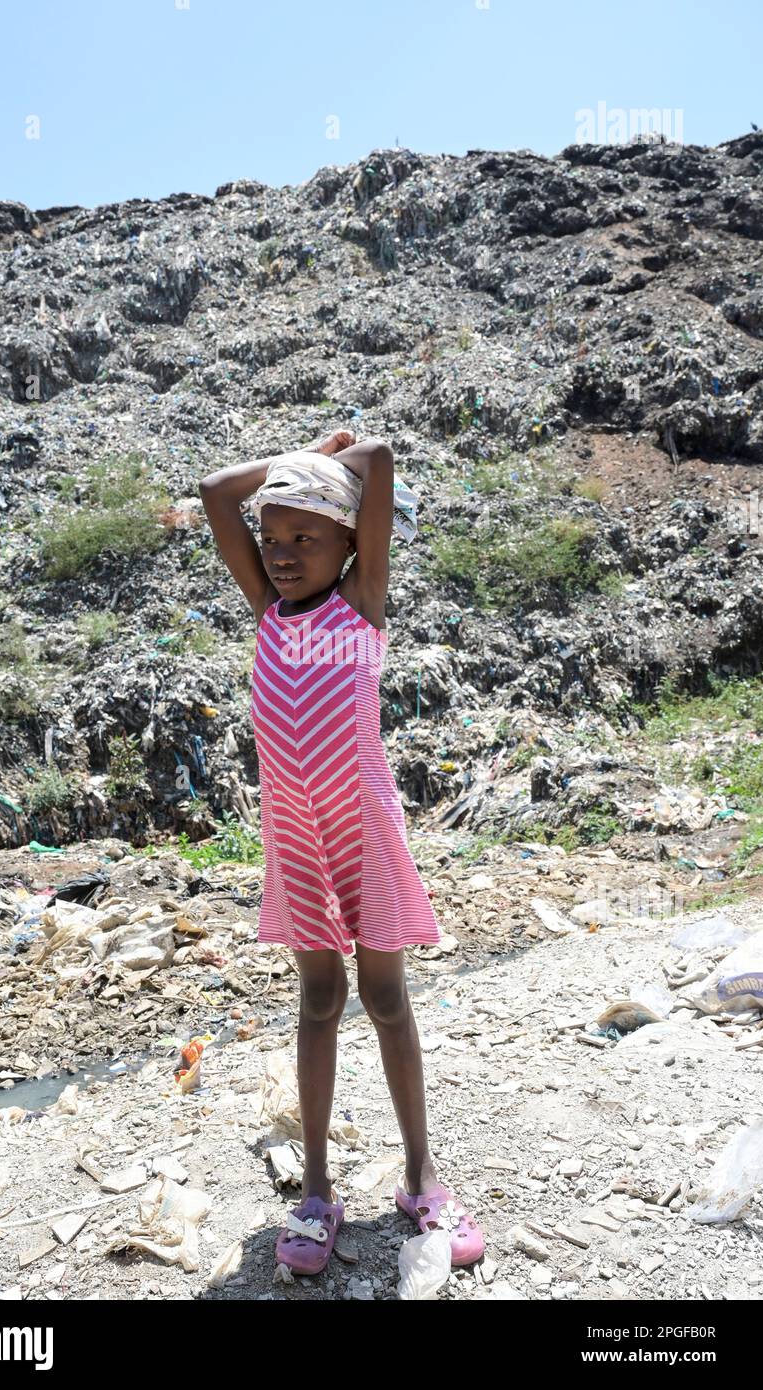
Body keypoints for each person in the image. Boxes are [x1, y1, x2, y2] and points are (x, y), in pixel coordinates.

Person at [200, 430, 484, 1276]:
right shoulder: (266, 610)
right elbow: (219, 490)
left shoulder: (360, 604)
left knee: (387, 998)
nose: (282, 555)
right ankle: (318, 1190)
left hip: (364, 830)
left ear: (351, 543)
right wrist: (301, 458)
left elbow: (386, 457)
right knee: (318, 1000)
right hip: (296, 837)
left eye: (304, 537)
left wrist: (335, 465)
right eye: (273, 539)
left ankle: (421, 1176)